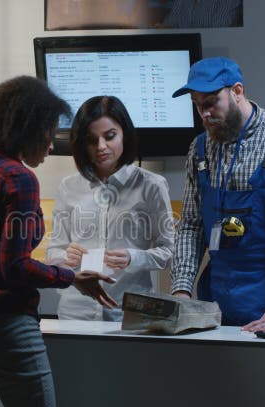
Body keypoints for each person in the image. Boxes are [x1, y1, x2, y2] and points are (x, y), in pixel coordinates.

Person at [0, 75, 117, 407]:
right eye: (49, 135)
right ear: (28, 129)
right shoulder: (17, 178)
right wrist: (71, 277)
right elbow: (14, 267)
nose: (51, 147)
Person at [170, 57, 265, 332]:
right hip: (215, 301)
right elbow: (191, 226)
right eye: (197, 105)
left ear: (237, 92)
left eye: (212, 102)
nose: (204, 113)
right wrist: (181, 292)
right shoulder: (199, 149)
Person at [47, 95, 174, 321]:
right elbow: (53, 251)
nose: (101, 147)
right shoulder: (69, 186)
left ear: (124, 133)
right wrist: (65, 256)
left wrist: (133, 258)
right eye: (91, 140)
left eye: (110, 136)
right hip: (76, 311)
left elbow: (167, 251)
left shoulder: (151, 185)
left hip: (129, 311)